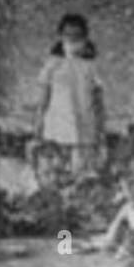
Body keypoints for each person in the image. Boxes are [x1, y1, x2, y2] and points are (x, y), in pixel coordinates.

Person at [33, 14, 104, 176]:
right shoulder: (52, 65)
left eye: (77, 36)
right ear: (60, 36)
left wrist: (101, 135)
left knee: (81, 177)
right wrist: (37, 130)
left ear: (85, 37)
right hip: (56, 131)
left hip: (85, 133)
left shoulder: (91, 67)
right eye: (68, 35)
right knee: (56, 174)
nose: (72, 40)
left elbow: (99, 104)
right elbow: (42, 102)